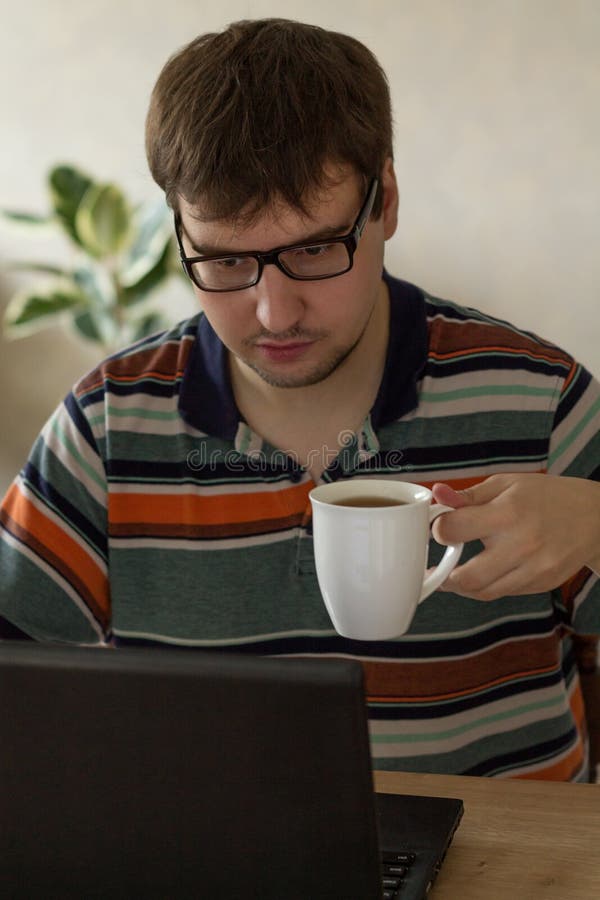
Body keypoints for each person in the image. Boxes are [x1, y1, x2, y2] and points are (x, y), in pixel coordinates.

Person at [1, 18, 599, 781]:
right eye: (221, 260)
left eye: (314, 250)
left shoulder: (540, 403)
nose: (274, 314)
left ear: (384, 201)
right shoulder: (107, 428)